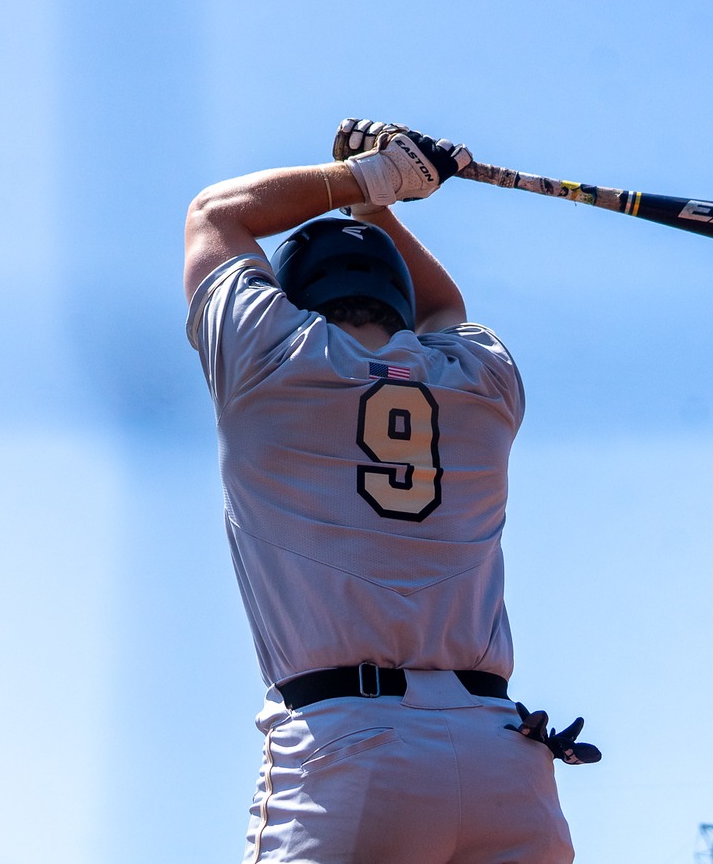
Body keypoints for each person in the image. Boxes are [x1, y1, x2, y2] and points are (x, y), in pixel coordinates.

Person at [184, 119, 598, 864]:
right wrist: (375, 203)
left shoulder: (269, 361)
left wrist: (370, 180)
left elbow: (217, 216)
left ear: (297, 294)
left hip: (349, 747)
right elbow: (444, 310)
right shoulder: (482, 382)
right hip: (501, 753)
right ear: (396, 298)